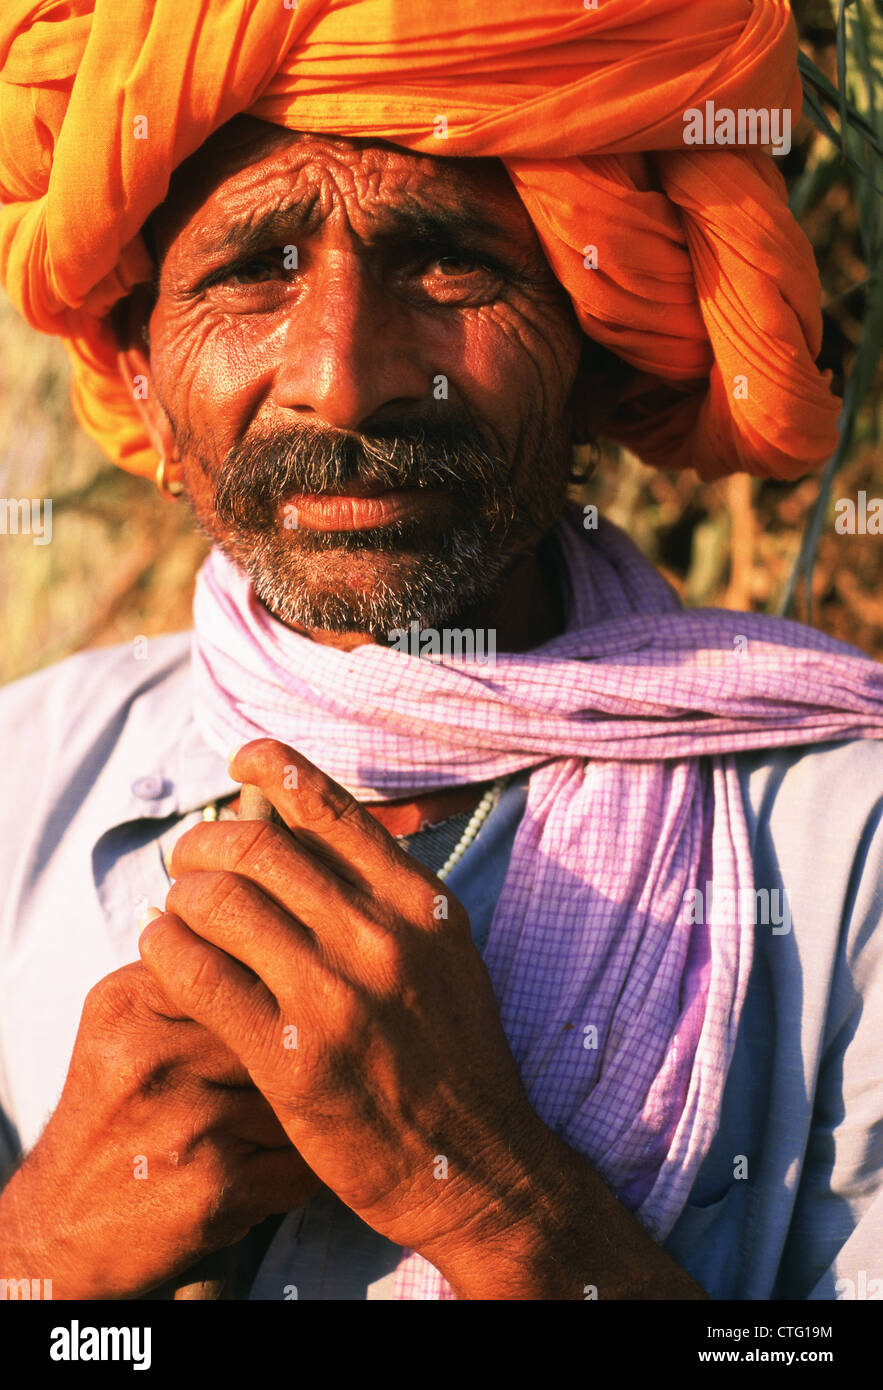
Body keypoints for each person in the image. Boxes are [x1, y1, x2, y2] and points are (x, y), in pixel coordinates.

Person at [0, 1, 881, 1302]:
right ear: (135, 367)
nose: (347, 381)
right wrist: (43, 1248)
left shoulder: (845, 848)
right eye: (255, 270)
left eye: (444, 265)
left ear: (594, 344)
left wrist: (488, 1187)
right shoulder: (22, 779)